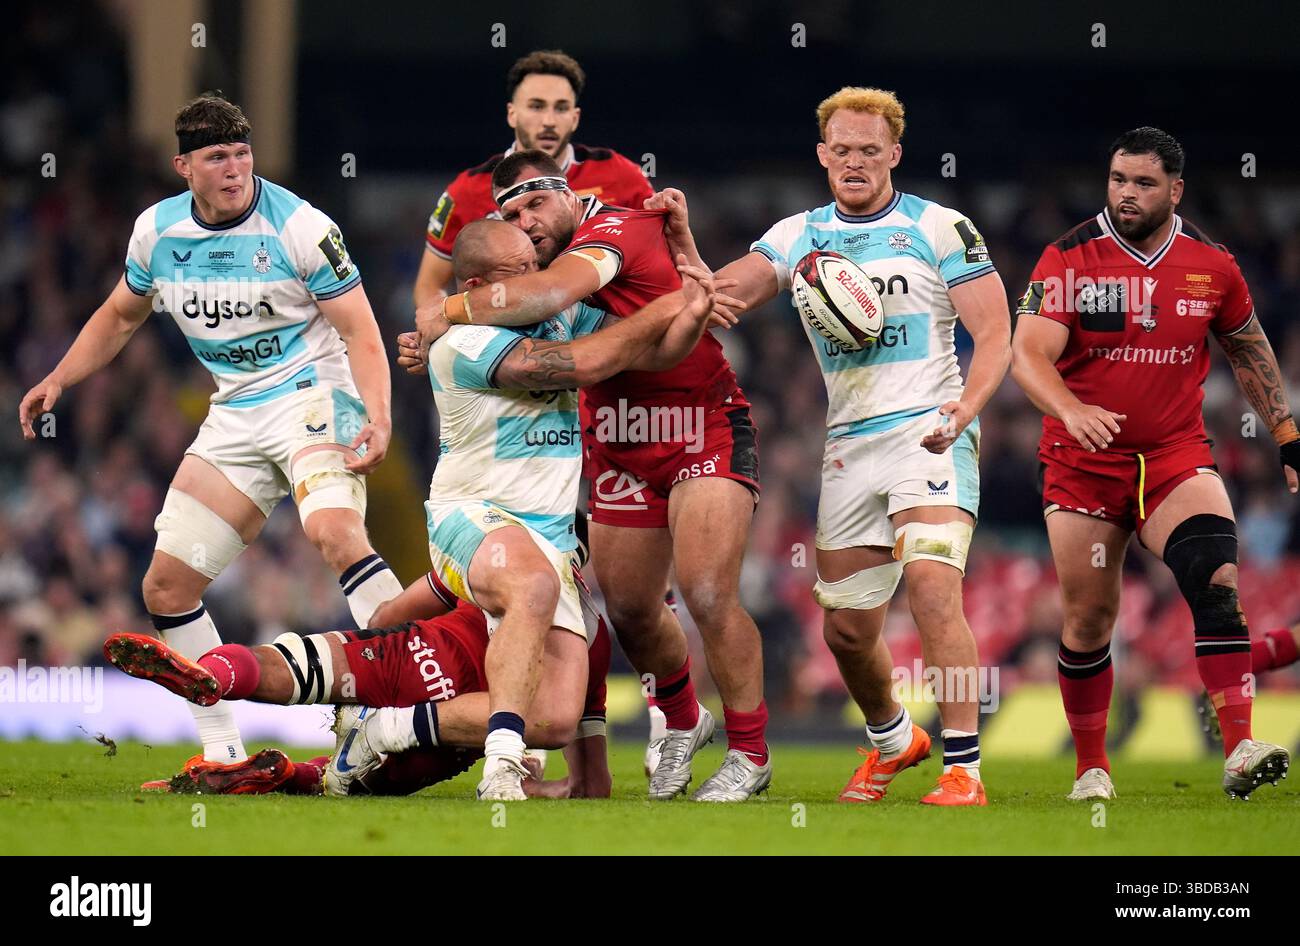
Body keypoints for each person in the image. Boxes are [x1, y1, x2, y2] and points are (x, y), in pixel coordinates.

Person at [17, 93, 399, 769]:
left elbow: (361, 330)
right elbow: (117, 317)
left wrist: (378, 414)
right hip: (236, 413)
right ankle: (222, 751)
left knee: (333, 532)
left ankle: (415, 697)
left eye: (242, 154)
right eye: (217, 157)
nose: (234, 170)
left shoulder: (301, 227)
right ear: (184, 166)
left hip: (315, 392)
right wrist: (59, 380)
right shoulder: (157, 233)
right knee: (166, 588)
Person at [656, 87, 1011, 806]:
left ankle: (964, 770)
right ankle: (894, 739)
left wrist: (963, 409)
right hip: (850, 445)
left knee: (934, 592)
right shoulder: (796, 235)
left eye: (869, 151)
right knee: (848, 633)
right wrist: (690, 249)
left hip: (928, 435)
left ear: (894, 155)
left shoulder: (940, 227)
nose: (854, 162)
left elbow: (997, 333)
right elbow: (722, 298)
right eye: (842, 150)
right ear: (822, 154)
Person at [415, 150, 774, 802]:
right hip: (617, 442)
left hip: (700, 427)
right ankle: (685, 720)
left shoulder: (614, 229)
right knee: (633, 610)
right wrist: (682, 305)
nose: (526, 220)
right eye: (512, 212)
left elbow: (564, 305)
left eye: (535, 201)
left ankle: (750, 752)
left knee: (705, 590)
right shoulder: (539, 275)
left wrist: (448, 312)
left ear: (570, 189)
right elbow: (597, 341)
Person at [345, 218, 721, 800]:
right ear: (474, 286)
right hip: (472, 515)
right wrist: (667, 303)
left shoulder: (558, 316)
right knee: (533, 588)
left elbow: (655, 352)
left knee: (553, 720)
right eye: (518, 273)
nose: (536, 281)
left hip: (547, 536)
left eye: (536, 266)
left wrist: (694, 306)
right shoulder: (462, 342)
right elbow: (585, 366)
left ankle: (391, 726)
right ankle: (501, 769)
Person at [1010, 126, 1294, 800]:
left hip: (1174, 457)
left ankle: (1239, 749)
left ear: (1175, 190)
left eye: (1142, 183)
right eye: (1117, 180)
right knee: (1087, 620)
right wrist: (1072, 410)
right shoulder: (1069, 258)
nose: (1126, 194)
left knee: (1215, 576)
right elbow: (1027, 354)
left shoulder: (1212, 266)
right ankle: (1091, 768)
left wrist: (1287, 434)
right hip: (1082, 464)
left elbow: (1249, 351)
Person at [104, 557, 613, 799]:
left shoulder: (491, 557)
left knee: (303, 665)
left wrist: (372, 648)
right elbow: (592, 783)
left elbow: (388, 614)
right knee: (353, 783)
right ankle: (291, 776)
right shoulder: (592, 634)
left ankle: (214, 673)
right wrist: (541, 787)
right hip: (459, 731)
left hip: (413, 656)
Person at [412, 49, 652, 314]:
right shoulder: (467, 190)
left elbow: (659, 255)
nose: (548, 121)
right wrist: (437, 328)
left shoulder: (621, 175)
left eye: (560, 108)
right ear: (512, 114)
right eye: (536, 106)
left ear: (575, 118)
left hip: (609, 332)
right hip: (512, 338)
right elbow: (429, 286)